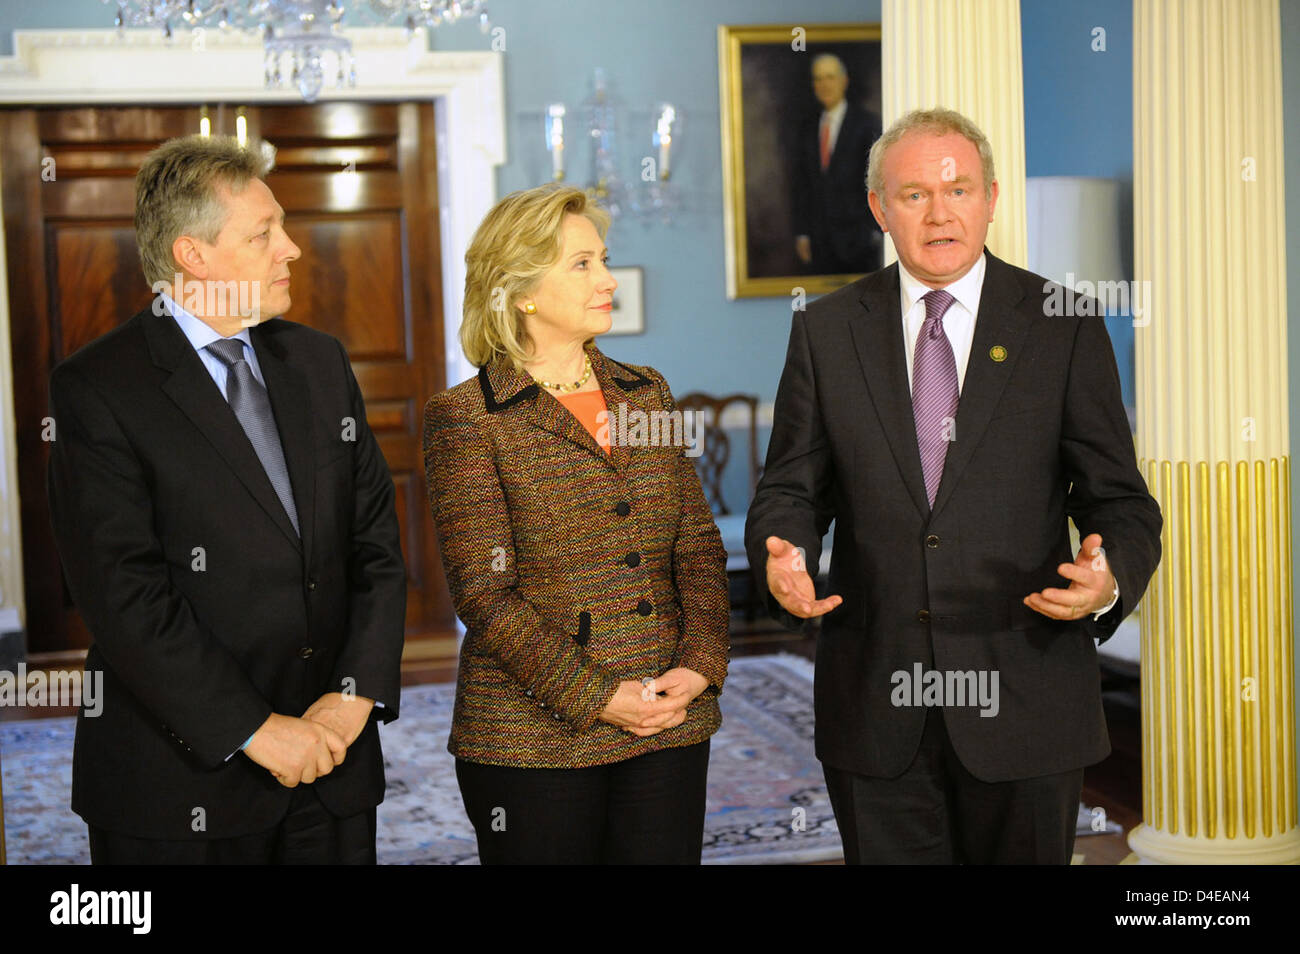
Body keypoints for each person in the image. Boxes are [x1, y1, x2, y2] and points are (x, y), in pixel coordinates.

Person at [746, 107, 1162, 864]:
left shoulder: (1061, 323)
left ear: (991, 198)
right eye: (914, 195)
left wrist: (1106, 581)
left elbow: (1120, 500)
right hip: (876, 702)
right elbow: (790, 488)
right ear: (880, 208)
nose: (940, 212)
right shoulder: (827, 330)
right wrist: (784, 550)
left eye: (959, 189)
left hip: (1026, 696)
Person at [46, 134, 406, 864]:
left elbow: (377, 552)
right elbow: (125, 599)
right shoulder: (97, 389)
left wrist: (352, 695)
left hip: (332, 764)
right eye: (264, 232)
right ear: (193, 256)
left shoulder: (319, 361)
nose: (292, 249)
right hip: (180, 784)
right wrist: (257, 730)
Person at [423, 183, 729, 865]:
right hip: (532, 742)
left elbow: (698, 547)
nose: (609, 280)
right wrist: (597, 696)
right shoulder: (466, 418)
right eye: (582, 264)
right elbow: (484, 594)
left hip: (667, 724)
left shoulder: (647, 391)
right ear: (522, 289)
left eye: (604, 259)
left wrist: (700, 664)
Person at [792, 53, 882, 275]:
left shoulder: (866, 124)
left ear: (844, 81)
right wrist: (803, 233)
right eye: (819, 78)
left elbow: (877, 180)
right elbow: (802, 184)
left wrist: (871, 232)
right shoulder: (807, 127)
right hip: (819, 242)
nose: (824, 84)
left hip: (858, 242)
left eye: (830, 77)